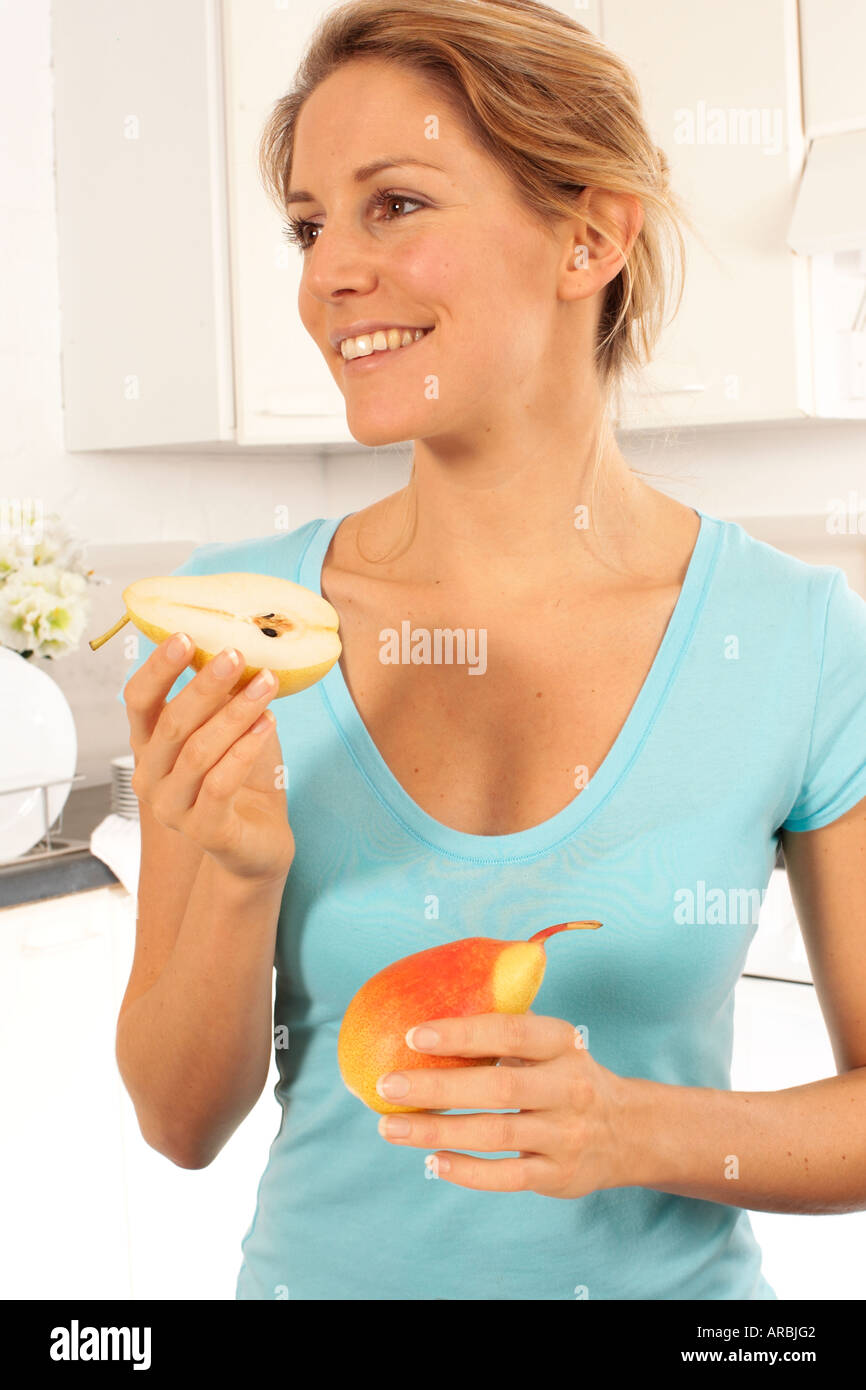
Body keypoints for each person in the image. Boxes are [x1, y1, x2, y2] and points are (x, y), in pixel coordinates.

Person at [115, 0, 866, 1300]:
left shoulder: (795, 637)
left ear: (589, 234)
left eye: (393, 203)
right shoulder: (238, 625)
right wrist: (234, 877)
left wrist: (634, 1127)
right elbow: (179, 1126)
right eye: (308, 224)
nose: (326, 272)